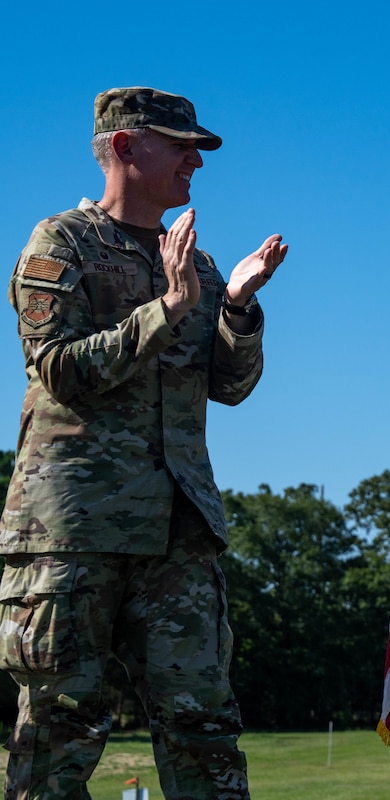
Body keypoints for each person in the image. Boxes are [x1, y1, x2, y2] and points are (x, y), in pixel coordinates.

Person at [0, 87, 287, 799]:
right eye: (178, 144)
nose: (195, 160)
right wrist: (167, 310)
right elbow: (59, 368)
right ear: (126, 147)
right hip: (75, 535)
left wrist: (238, 309)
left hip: (178, 537)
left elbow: (229, 386)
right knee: (59, 736)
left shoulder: (199, 264)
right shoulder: (61, 243)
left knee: (205, 732)